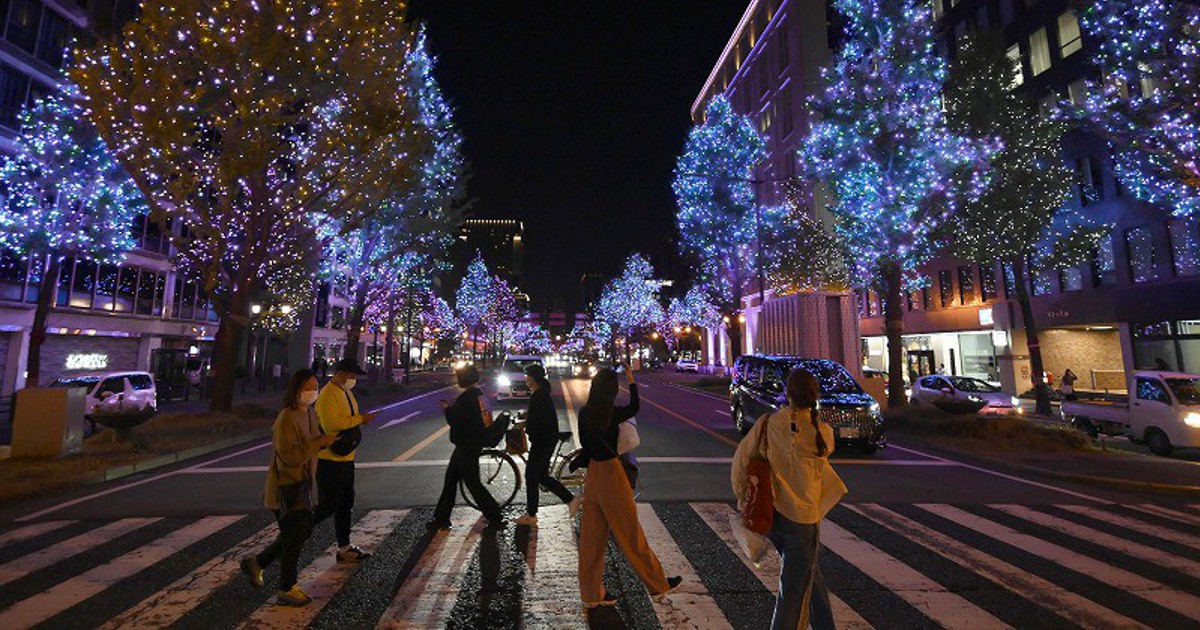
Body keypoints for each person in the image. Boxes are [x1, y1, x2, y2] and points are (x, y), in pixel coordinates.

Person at [732, 369, 845, 630]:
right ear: (815, 395)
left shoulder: (768, 424)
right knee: (793, 591)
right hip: (803, 519)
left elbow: (742, 460)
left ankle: (825, 625)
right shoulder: (822, 434)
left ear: (787, 392)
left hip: (773, 515)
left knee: (808, 573)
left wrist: (742, 498)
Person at [577, 366, 681, 608]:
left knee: (592, 538)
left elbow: (585, 445)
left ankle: (590, 594)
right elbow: (635, 408)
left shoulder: (585, 413)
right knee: (631, 534)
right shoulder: (612, 413)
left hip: (593, 474)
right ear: (612, 391)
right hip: (611, 474)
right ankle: (658, 584)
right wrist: (632, 383)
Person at [241, 369, 339, 607]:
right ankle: (286, 587)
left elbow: (314, 445)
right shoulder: (286, 417)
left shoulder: (310, 414)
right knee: (295, 536)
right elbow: (289, 456)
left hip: (303, 486)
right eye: (308, 387)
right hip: (286, 488)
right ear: (296, 389)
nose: (313, 392)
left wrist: (329, 442)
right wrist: (319, 443)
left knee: (298, 533)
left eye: (315, 386)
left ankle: (258, 563)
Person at [313, 358, 377, 562]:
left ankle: (344, 547)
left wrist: (359, 420)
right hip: (330, 460)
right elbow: (332, 424)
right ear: (340, 373)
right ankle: (292, 532)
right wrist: (360, 419)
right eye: (351, 375)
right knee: (327, 506)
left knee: (345, 503)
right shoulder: (327, 395)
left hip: (345, 458)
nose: (353, 379)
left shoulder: (345, 392)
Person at [429, 364, 506, 530]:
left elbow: (456, 420)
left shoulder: (468, 397)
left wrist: (447, 409)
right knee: (451, 481)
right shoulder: (479, 395)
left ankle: (495, 517)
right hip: (469, 444)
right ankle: (441, 518)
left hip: (467, 445)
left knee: (473, 484)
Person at [515, 363, 580, 527]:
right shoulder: (540, 393)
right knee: (536, 475)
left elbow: (539, 421)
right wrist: (527, 416)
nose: (526, 379)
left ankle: (569, 500)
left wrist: (524, 425)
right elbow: (538, 415)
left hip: (543, 441)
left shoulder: (539, 395)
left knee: (535, 475)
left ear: (534, 378)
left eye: (527, 376)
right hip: (545, 440)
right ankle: (533, 513)